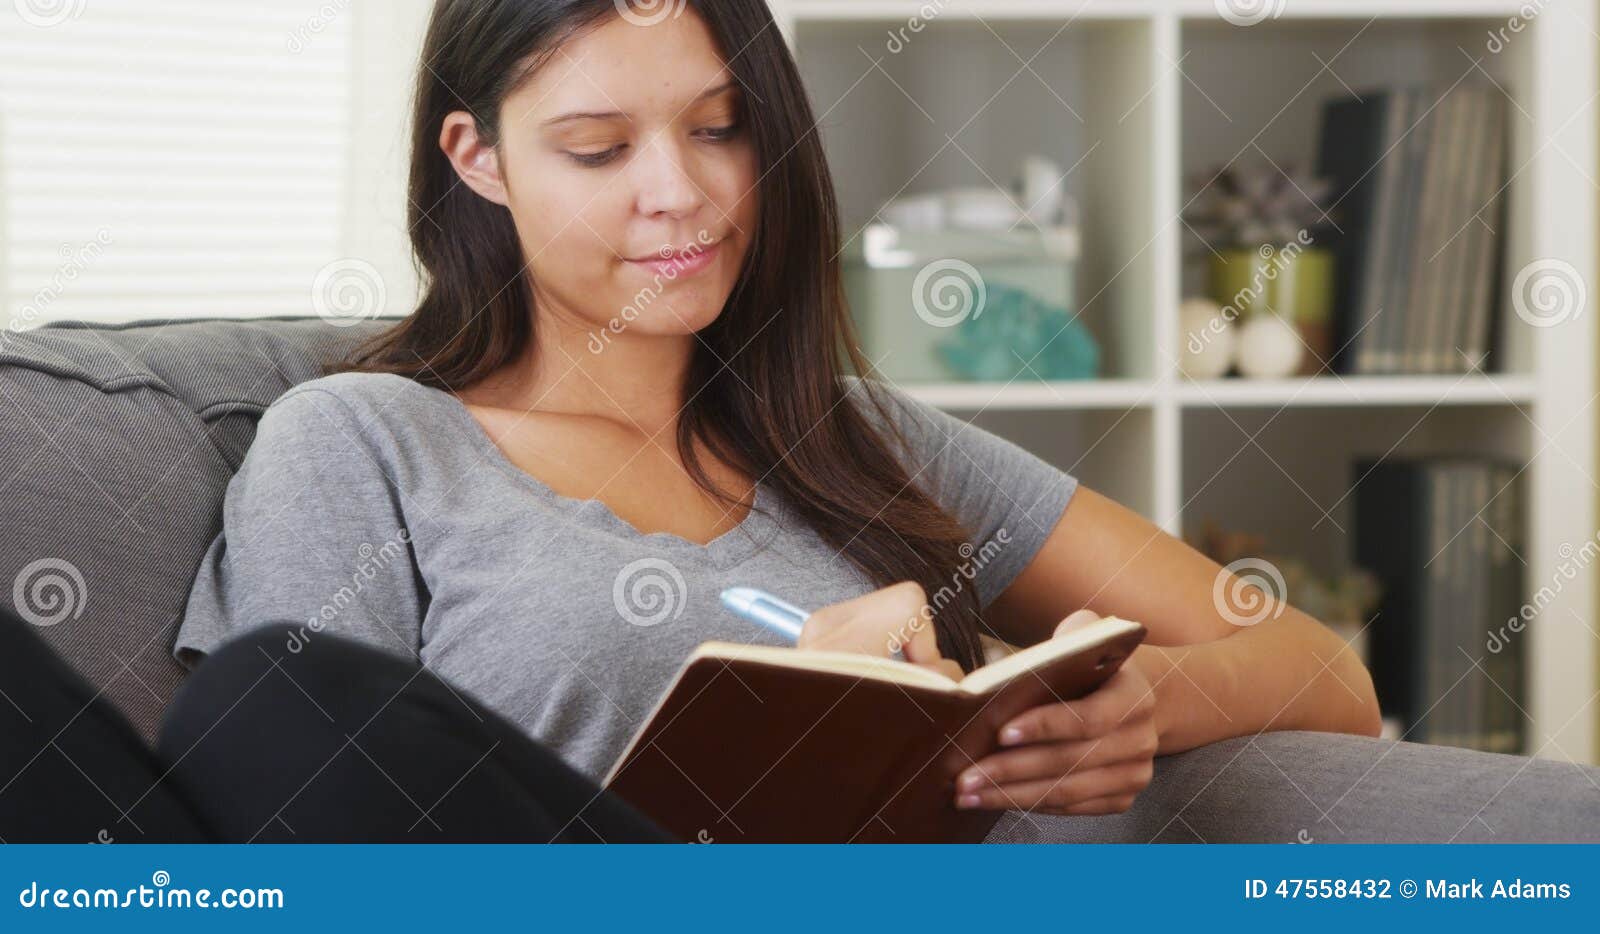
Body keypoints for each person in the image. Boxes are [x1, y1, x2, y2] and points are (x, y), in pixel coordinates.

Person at [1, 0, 1379, 843]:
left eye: (720, 130)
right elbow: (289, 802)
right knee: (267, 698)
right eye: (600, 150)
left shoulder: (857, 436)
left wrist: (1130, 701)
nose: (684, 195)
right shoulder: (359, 438)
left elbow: (1325, 674)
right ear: (475, 160)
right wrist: (738, 710)